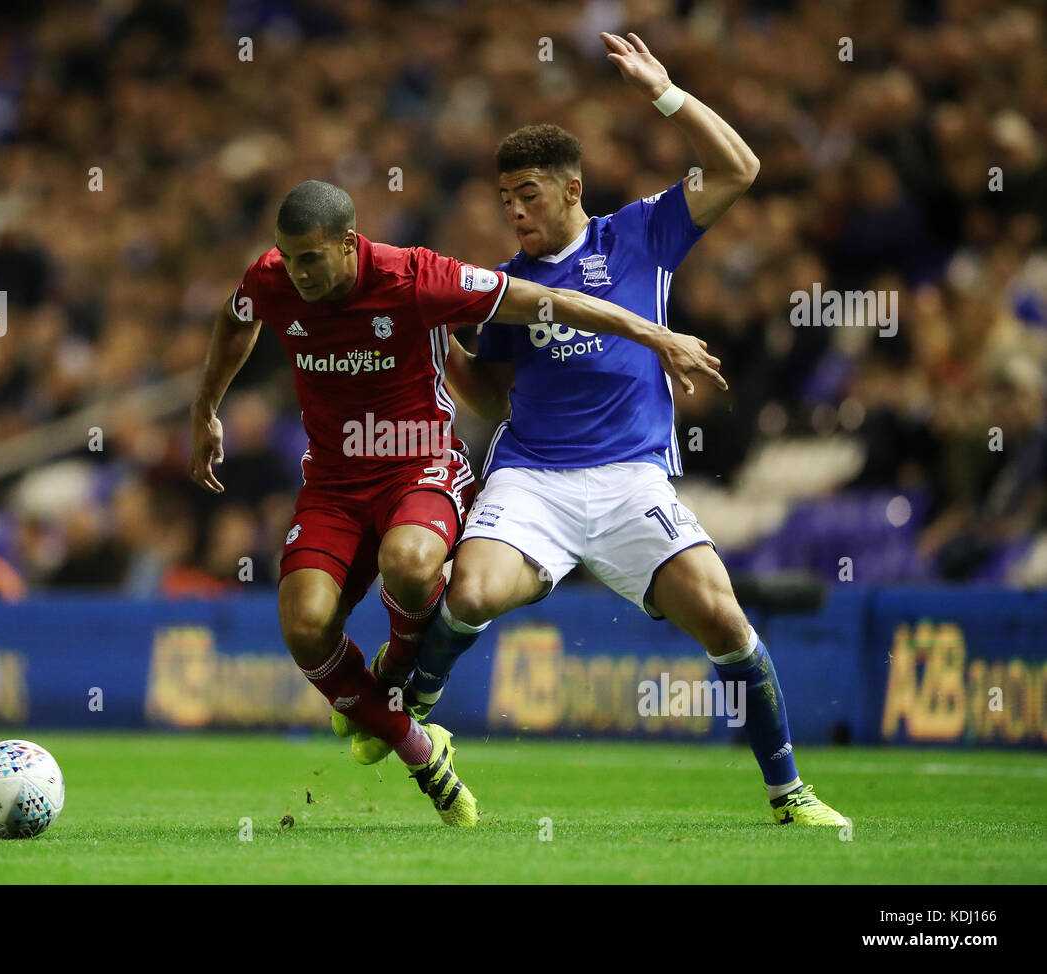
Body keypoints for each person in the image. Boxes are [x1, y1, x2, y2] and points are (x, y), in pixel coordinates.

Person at [394, 33, 846, 826]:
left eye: (527, 193)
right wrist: (440, 341)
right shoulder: (504, 286)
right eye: (505, 198)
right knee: (468, 592)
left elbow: (742, 170)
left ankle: (790, 793)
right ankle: (411, 712)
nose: (513, 210)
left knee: (725, 618)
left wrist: (665, 92)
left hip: (630, 477)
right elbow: (492, 401)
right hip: (532, 477)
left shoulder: (639, 233)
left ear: (572, 189)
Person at [189, 177, 724, 826]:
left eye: (311, 258)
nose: (297, 272)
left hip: (420, 467)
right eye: (288, 256)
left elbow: (546, 300)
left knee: (411, 564)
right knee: (304, 626)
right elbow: (234, 319)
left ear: (350, 245)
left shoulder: (416, 277)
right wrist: (206, 409)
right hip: (332, 483)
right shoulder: (271, 279)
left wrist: (654, 336)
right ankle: (417, 744)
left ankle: (399, 669)